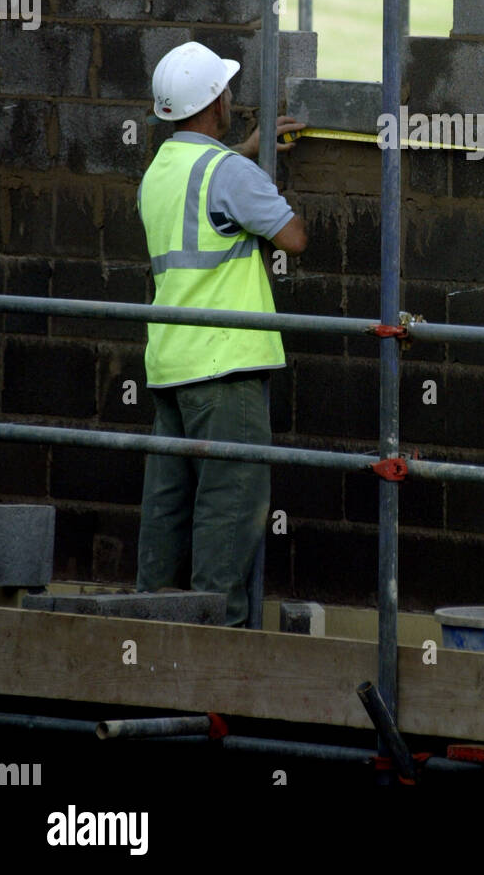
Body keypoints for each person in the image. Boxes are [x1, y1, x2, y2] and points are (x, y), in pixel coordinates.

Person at [134, 40, 307, 626]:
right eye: (228, 89)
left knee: (168, 509)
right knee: (228, 511)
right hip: (225, 368)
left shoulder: (158, 172)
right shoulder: (229, 173)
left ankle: (147, 641)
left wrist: (246, 154)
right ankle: (217, 652)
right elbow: (293, 239)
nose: (233, 96)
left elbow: (202, 186)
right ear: (217, 101)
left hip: (171, 365)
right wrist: (263, 173)